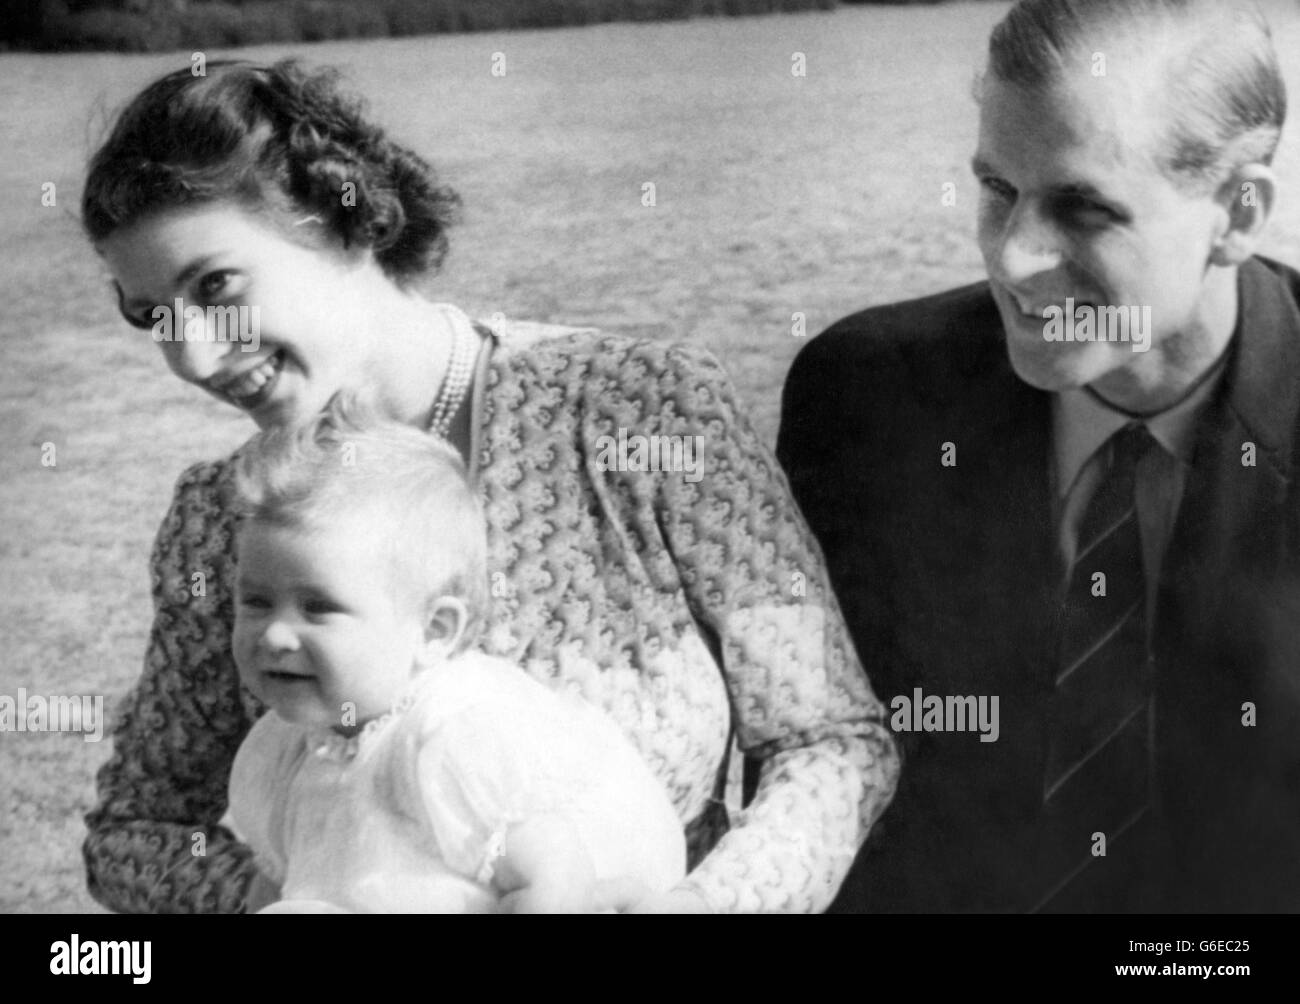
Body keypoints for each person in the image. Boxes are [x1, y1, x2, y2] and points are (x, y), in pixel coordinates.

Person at [80, 58, 899, 914]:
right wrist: (287, 899)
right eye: (153, 317)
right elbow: (138, 828)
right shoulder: (226, 520)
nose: (193, 356)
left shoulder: (639, 412)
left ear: (340, 219)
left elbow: (829, 743)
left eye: (215, 288)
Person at [779, 0, 1300, 913]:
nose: (1014, 258)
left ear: (1238, 212)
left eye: (1083, 208)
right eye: (997, 189)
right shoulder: (863, 401)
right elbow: (810, 753)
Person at [226, 398, 685, 913]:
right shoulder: (288, 748)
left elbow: (557, 880)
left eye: (318, 608)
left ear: (434, 631)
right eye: (257, 603)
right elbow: (286, 883)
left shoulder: (454, 735)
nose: (275, 636)